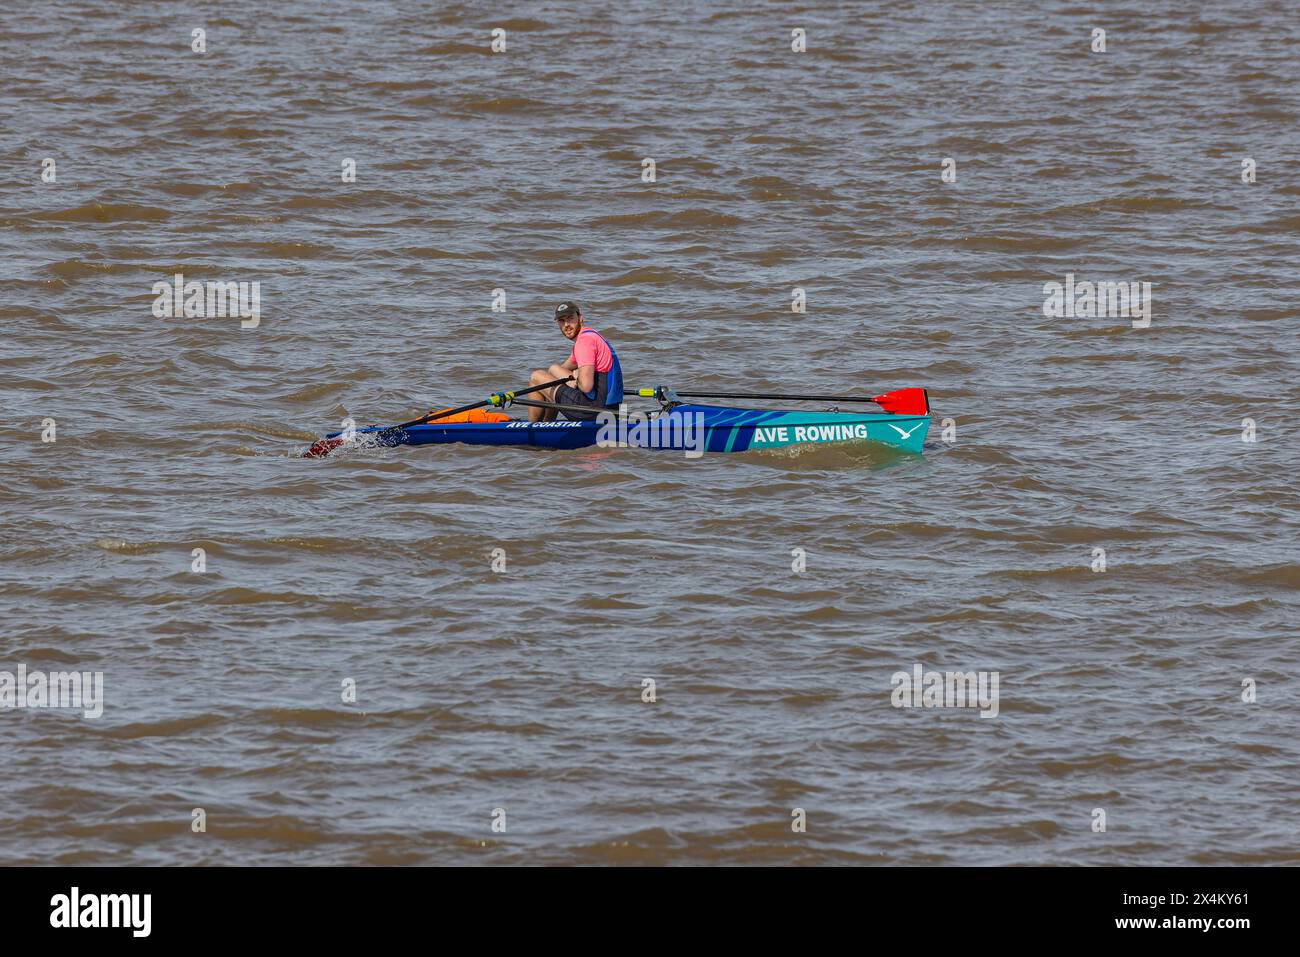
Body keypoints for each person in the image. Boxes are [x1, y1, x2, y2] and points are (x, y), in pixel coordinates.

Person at [527, 301, 624, 422]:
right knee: (552, 370)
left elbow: (586, 387)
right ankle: (547, 424)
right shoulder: (593, 335)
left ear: (580, 318)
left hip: (593, 411)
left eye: (570, 318)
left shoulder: (584, 342)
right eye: (561, 321)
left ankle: (531, 430)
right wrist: (572, 375)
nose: (566, 324)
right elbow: (555, 373)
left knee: (536, 377)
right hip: (613, 409)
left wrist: (577, 377)